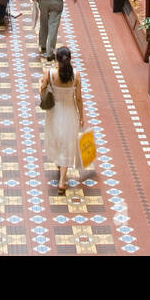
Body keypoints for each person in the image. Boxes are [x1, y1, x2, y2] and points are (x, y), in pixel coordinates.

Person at [40, 47, 85, 193]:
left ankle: (61, 174)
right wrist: (82, 116)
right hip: (70, 111)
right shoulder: (76, 76)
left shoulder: (50, 73)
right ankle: (62, 179)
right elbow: (78, 98)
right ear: (70, 59)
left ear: (57, 60)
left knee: (56, 139)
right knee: (67, 143)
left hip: (54, 112)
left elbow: (42, 90)